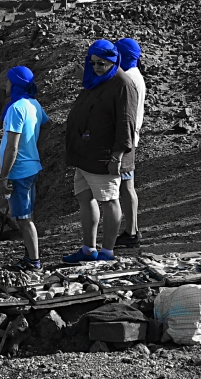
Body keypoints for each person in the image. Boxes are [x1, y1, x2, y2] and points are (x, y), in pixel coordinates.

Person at [61, 40, 136, 263]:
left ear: (113, 61)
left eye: (102, 63)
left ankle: (107, 252)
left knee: (110, 200)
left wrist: (117, 156)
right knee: (85, 197)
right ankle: (88, 249)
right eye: (93, 63)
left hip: (104, 156)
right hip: (85, 156)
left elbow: (126, 123)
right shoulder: (96, 80)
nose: (97, 67)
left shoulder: (122, 84)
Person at [0, 65, 47, 271]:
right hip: (32, 166)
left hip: (19, 170)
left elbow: (12, 146)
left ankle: (34, 262)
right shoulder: (34, 104)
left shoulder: (16, 108)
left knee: (24, 218)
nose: (6, 85)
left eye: (8, 81)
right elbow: (46, 122)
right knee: (26, 215)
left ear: (15, 83)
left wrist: (3, 176)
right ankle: (30, 255)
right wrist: (33, 142)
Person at [113, 37, 147, 248]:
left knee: (125, 188)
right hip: (131, 138)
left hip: (125, 140)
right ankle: (131, 230)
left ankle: (131, 232)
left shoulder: (128, 78)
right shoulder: (136, 75)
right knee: (127, 187)